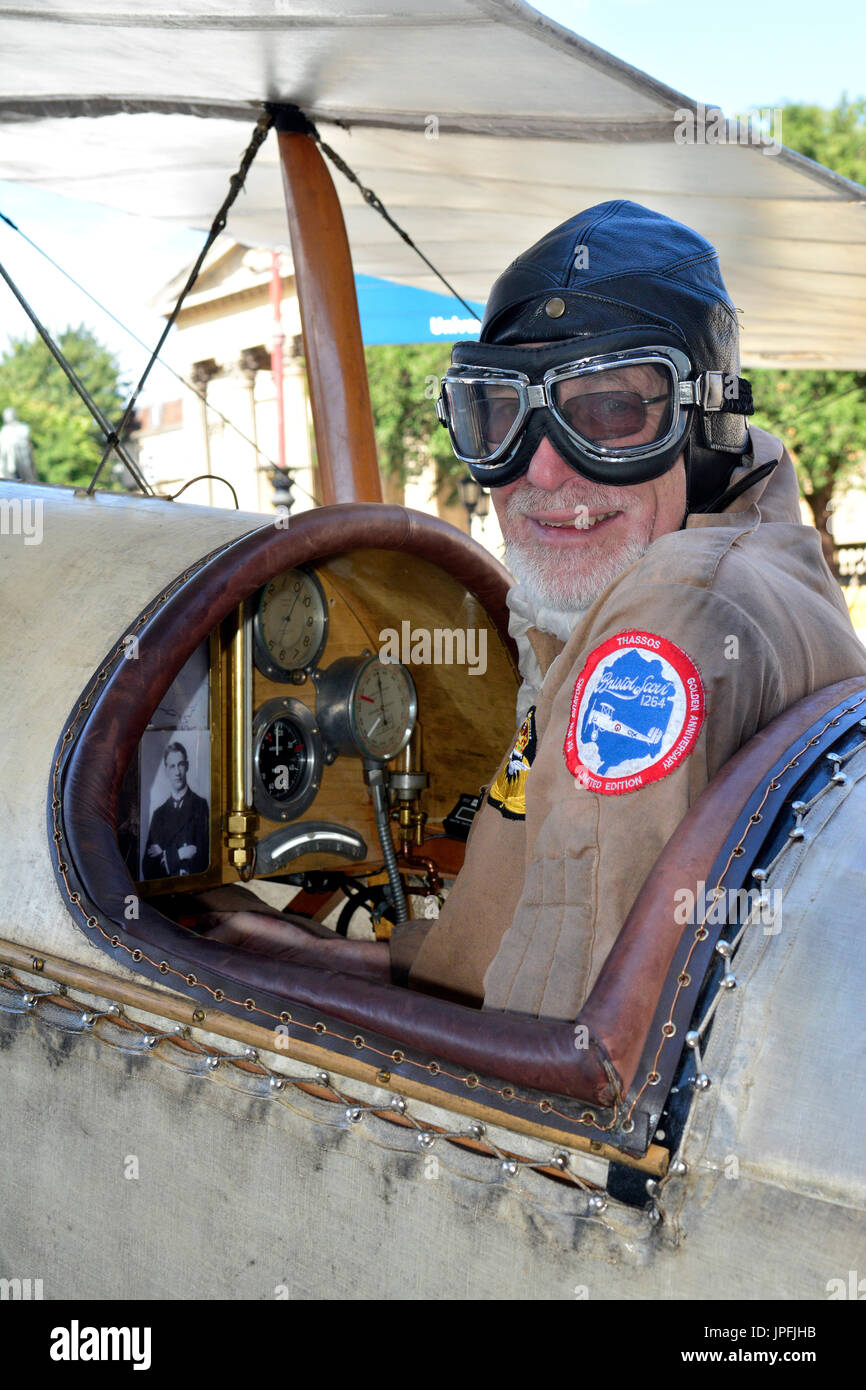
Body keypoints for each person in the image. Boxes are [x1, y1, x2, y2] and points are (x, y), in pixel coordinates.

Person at [203, 200, 866, 1016]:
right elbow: (559, 935)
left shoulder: (664, 633)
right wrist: (331, 956)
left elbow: (552, 1055)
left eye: (611, 412)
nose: (541, 474)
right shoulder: (761, 548)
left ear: (710, 420)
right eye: (500, 415)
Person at [143, 741, 209, 879]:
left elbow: (203, 860)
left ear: (187, 766)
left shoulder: (200, 806)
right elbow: (148, 869)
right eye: (172, 766)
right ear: (166, 770)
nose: (177, 772)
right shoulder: (159, 814)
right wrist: (180, 853)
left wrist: (164, 852)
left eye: (181, 765)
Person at [0, 406, 37, 482]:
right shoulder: (4, 431)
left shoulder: (23, 429)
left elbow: (28, 448)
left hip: (23, 464)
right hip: (9, 465)